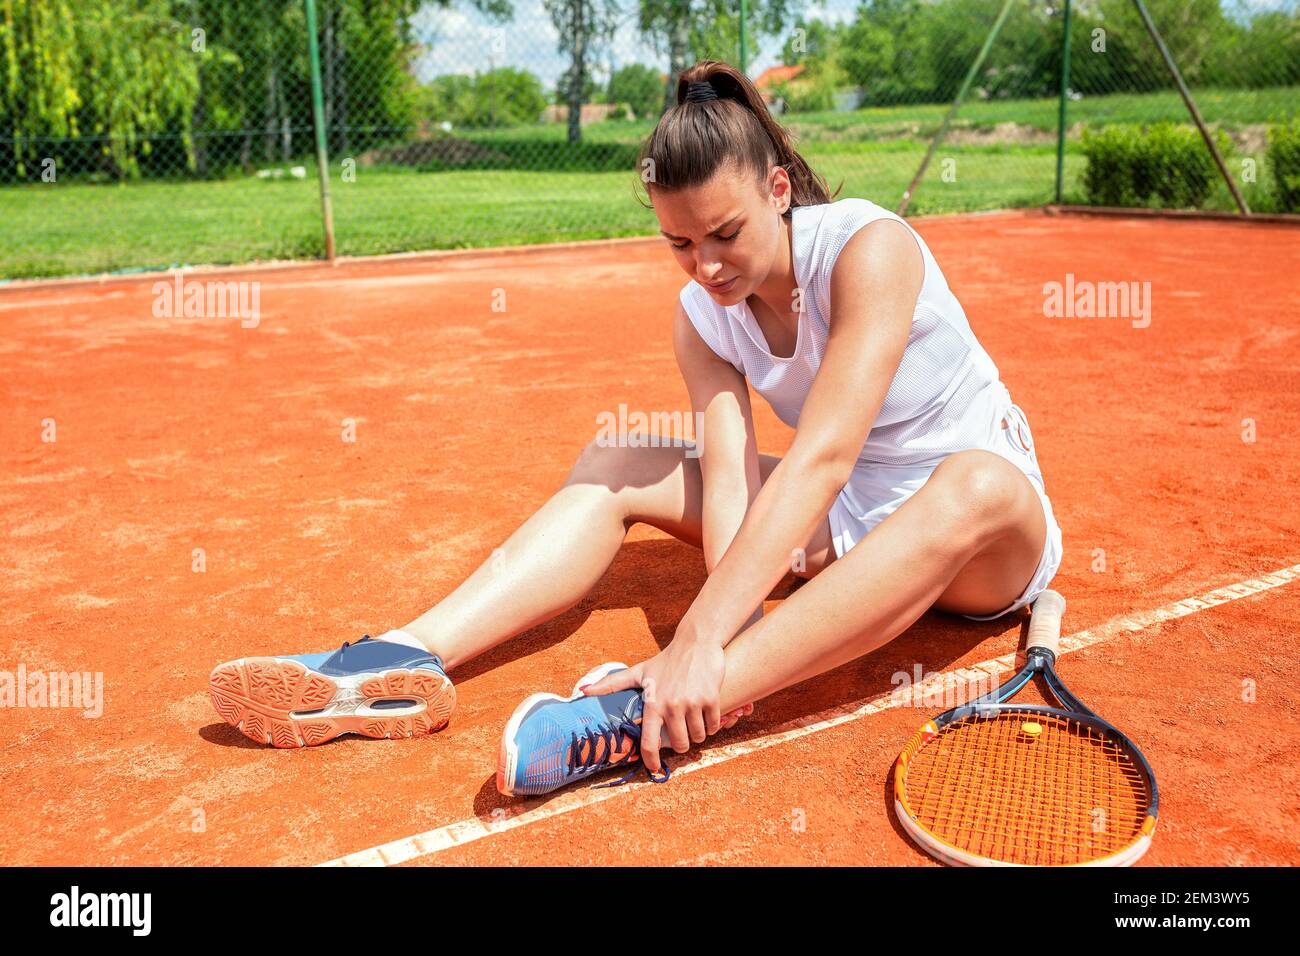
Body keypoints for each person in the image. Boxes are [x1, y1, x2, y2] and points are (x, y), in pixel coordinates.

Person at [209, 60, 1062, 799]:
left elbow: (825, 458)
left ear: (776, 189)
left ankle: (652, 709)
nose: (708, 267)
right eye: (680, 244)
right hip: (846, 528)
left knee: (976, 483)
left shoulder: (870, 251)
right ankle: (405, 654)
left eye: (725, 234)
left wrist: (698, 647)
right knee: (620, 458)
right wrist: (723, 613)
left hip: (982, 546)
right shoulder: (703, 316)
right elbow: (728, 473)